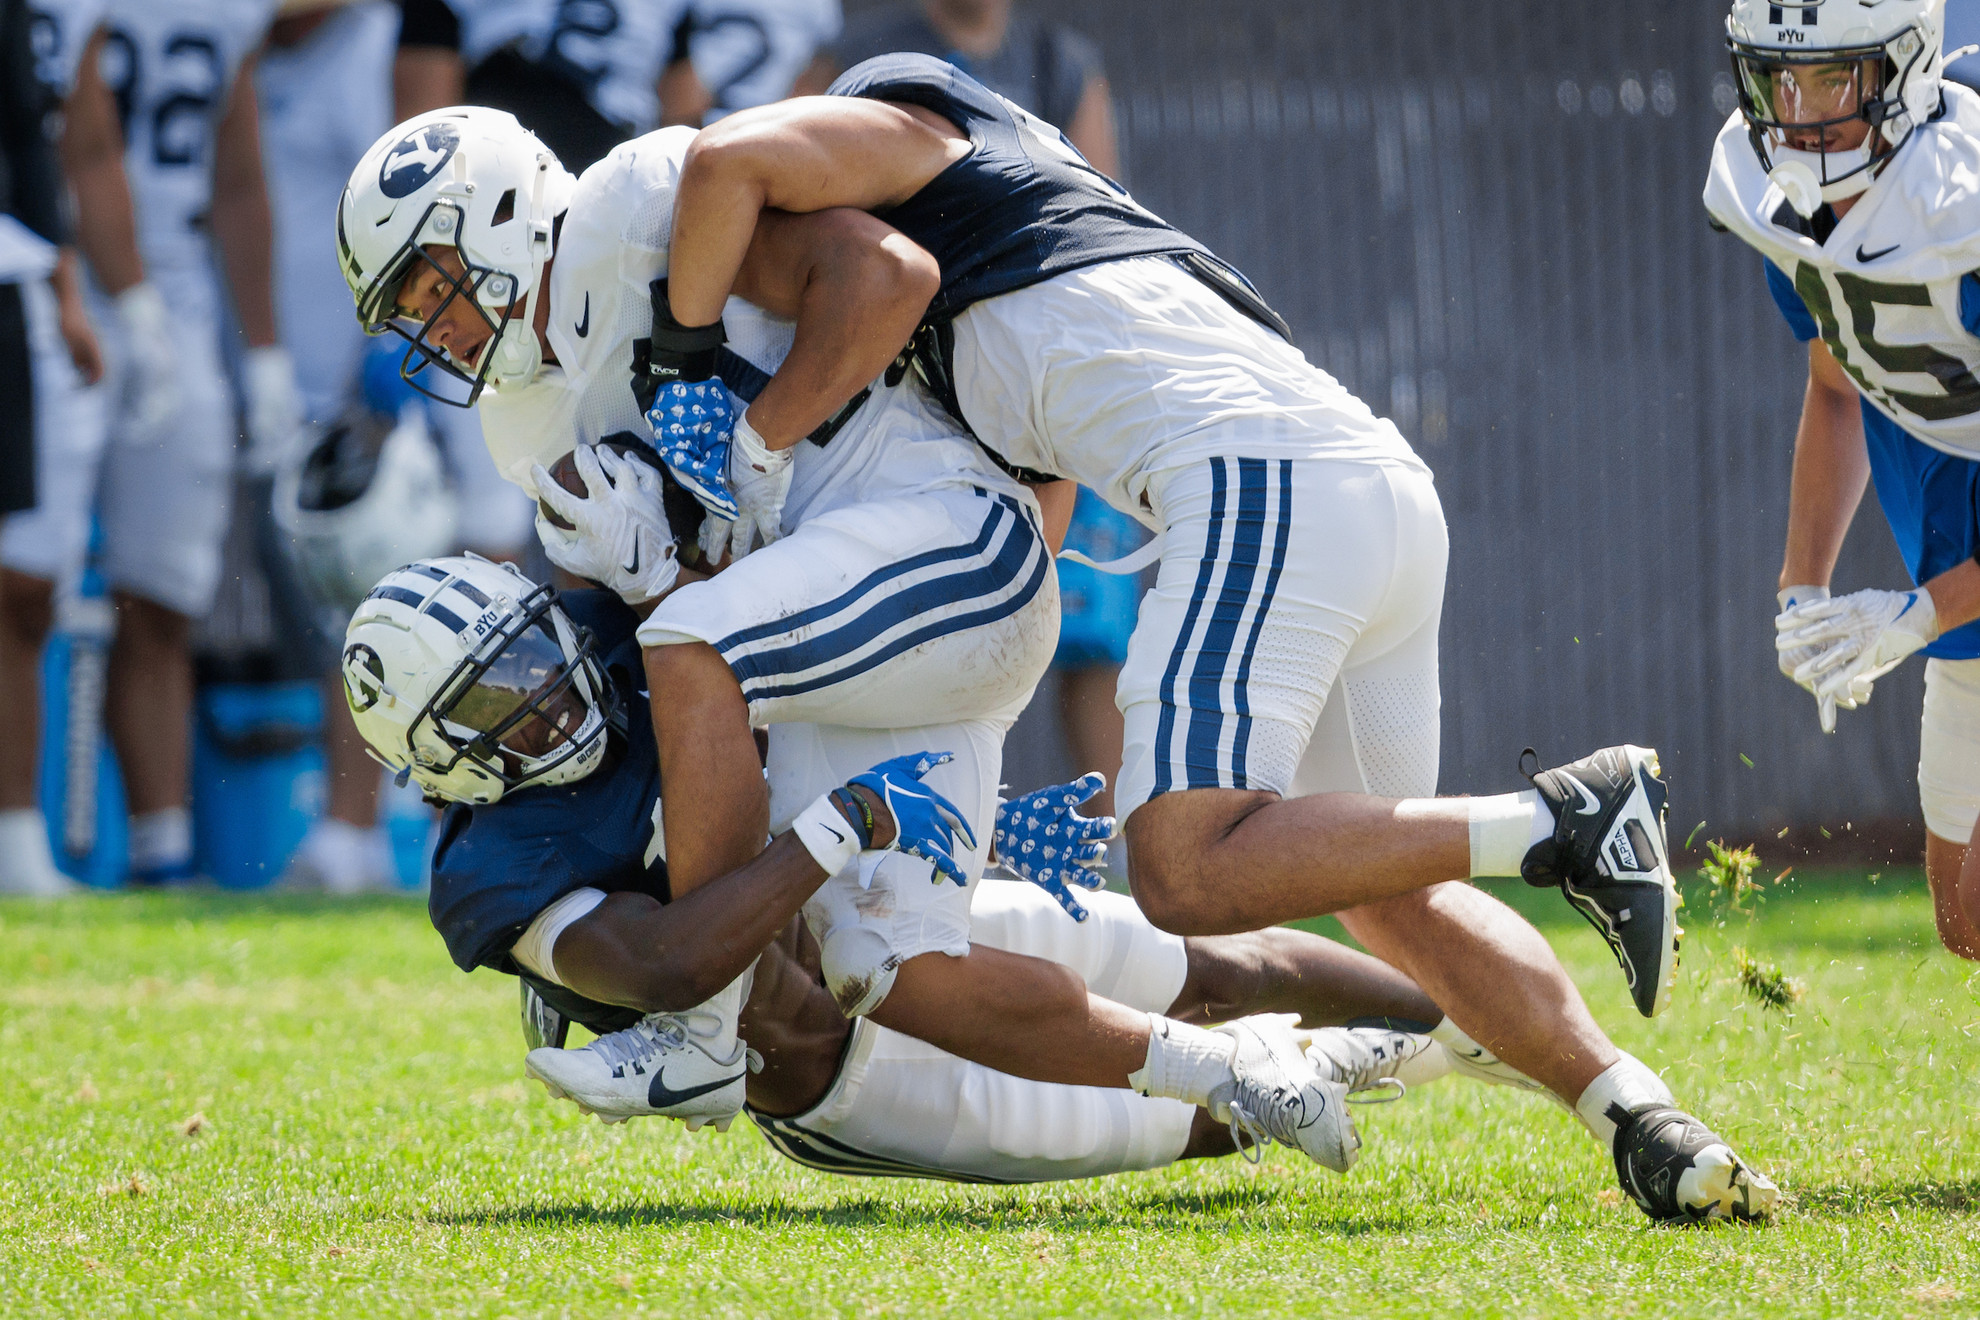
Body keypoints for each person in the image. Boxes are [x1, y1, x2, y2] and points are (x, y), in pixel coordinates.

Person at [643, 53, 1782, 1223]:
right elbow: (1016, 565)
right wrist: (972, 827)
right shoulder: (1025, 258)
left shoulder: (929, 149)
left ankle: (1561, 817)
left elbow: (726, 160)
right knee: (1388, 887)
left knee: (1183, 868)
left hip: (1261, 485)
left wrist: (689, 376)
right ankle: (1641, 1117)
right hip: (1373, 488)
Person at [347, 555, 1421, 1170]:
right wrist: (846, 820)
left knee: (1238, 964)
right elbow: (676, 965)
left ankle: (1471, 1018)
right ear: (441, 763)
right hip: (846, 1075)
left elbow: (781, 696)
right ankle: (1412, 1055)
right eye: (493, 705)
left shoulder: (612, 633)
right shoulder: (497, 869)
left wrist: (963, 821)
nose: (542, 694)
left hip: (882, 914)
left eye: (528, 657)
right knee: (1221, 1114)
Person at [1705, 0, 1980, 959]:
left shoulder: (1969, 206)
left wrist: (1918, 612)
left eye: (1832, 80)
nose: (1800, 113)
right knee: (1967, 918)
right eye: (1785, 79)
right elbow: (1835, 382)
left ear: (1904, 72)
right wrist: (1803, 588)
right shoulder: (1792, 207)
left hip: (1955, 573)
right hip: (1958, 536)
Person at [0, 0, 99, 894]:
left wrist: (69, 292)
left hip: (9, 277)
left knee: (23, 585)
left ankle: (14, 837)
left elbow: (30, 137)